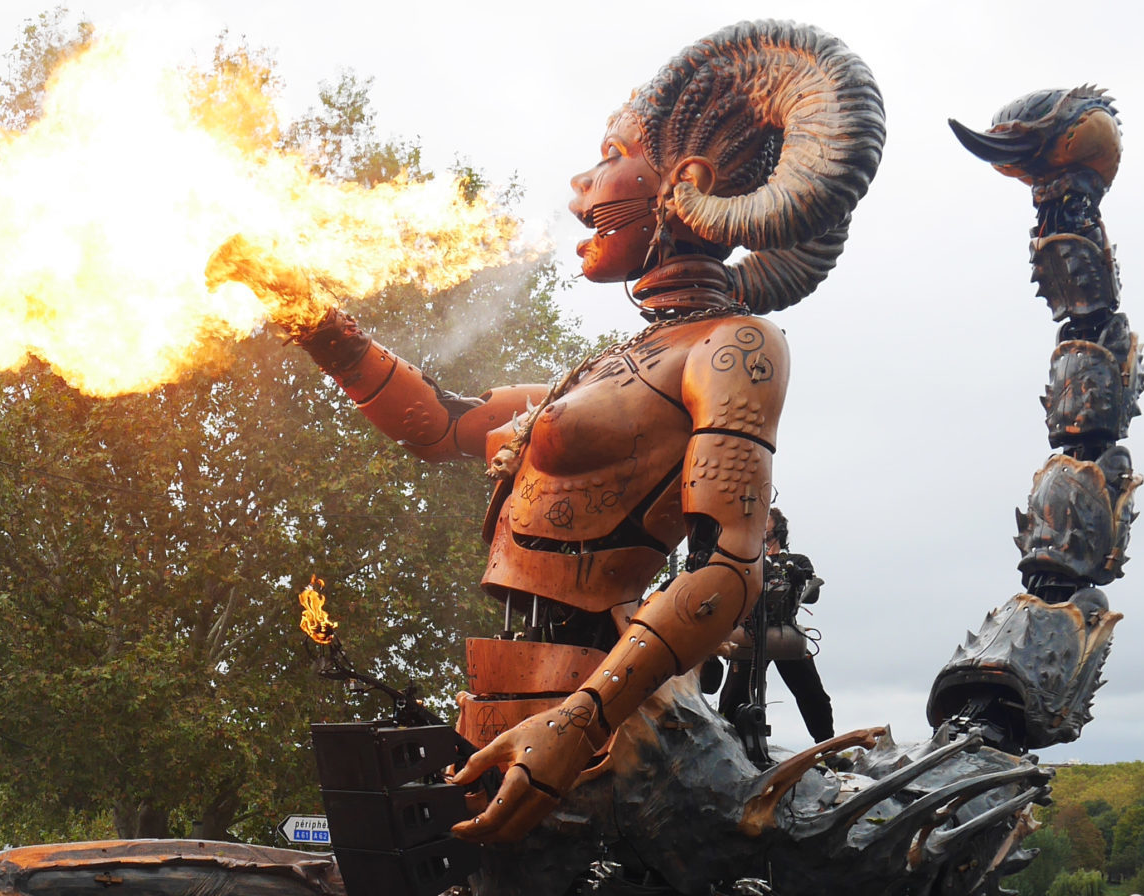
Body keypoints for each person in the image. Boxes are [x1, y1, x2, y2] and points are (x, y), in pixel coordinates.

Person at [280, 20, 882, 842]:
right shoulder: (603, 371)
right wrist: (313, 321)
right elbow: (436, 425)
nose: (581, 183)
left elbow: (730, 572)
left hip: (609, 738)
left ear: (688, 181)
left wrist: (579, 723)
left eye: (609, 153)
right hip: (505, 710)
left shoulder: (735, 348)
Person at [716, 508, 836, 757]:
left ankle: (828, 751)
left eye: (765, 521)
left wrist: (799, 579)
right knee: (732, 698)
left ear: (778, 528)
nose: (759, 526)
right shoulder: (746, 560)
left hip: (784, 633)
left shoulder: (798, 560)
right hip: (750, 634)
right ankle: (726, 751)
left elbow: (812, 595)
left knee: (814, 695)